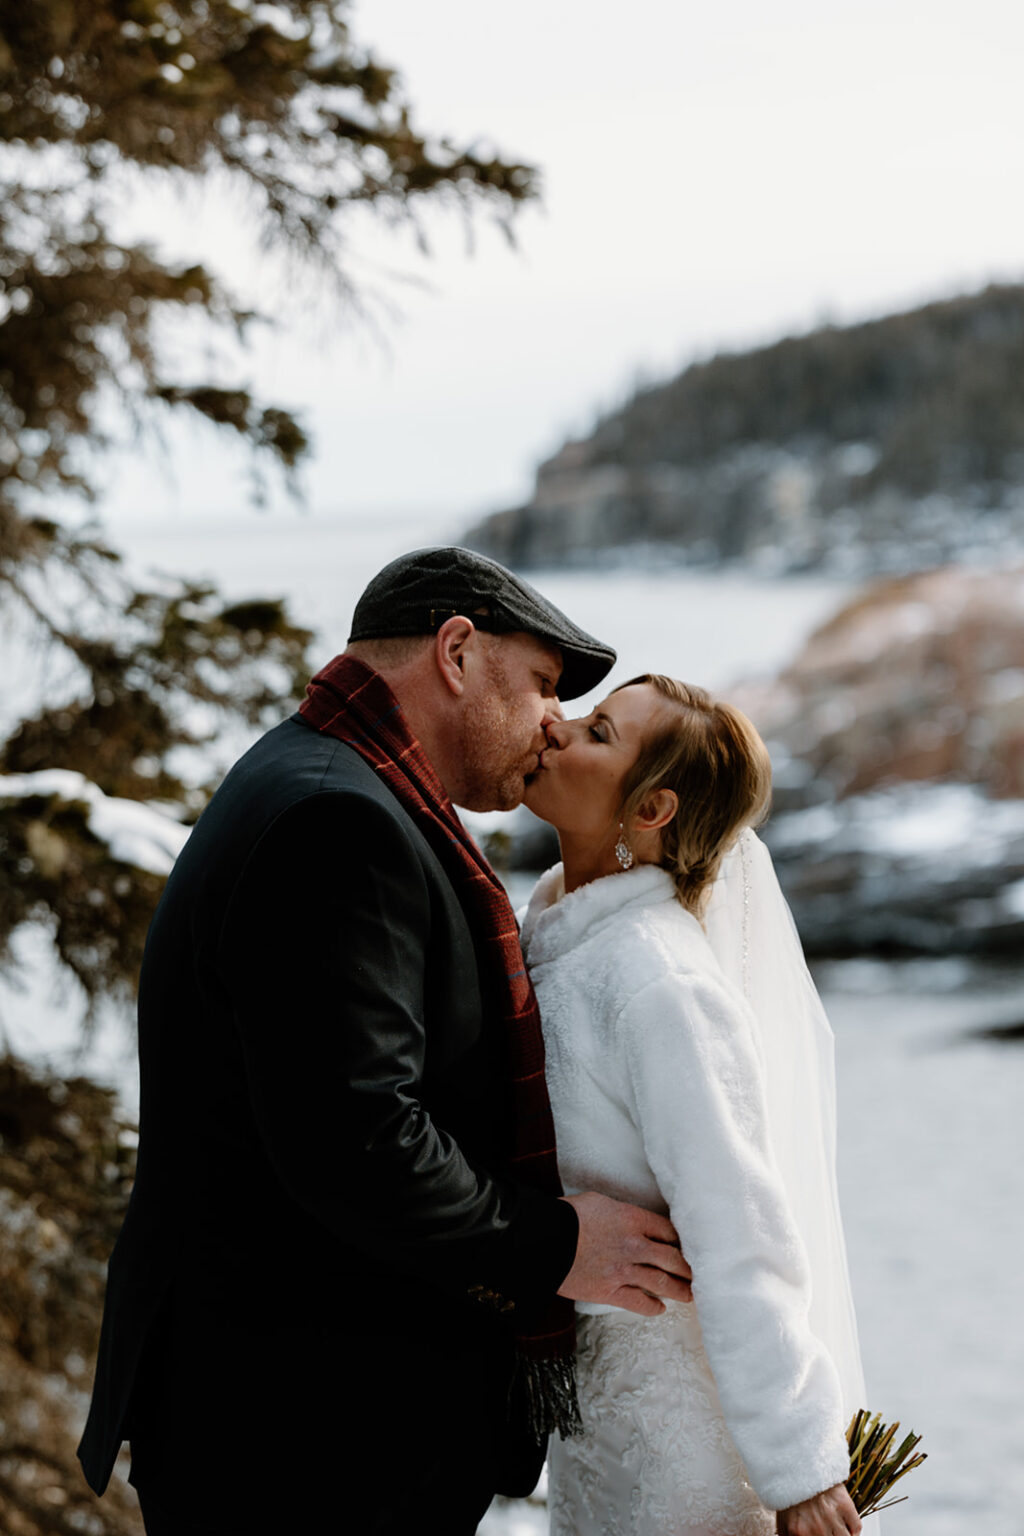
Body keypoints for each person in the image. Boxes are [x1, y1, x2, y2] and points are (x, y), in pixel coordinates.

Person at [76, 551, 693, 1536]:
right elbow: (356, 1139)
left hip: (292, 1417)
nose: (550, 721)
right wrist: (558, 1245)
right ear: (457, 652)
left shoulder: (324, 781)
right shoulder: (337, 822)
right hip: (299, 1440)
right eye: (540, 683)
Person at [520, 674, 868, 1536]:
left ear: (652, 809)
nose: (555, 730)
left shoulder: (660, 983)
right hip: (595, 1415)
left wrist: (799, 1466)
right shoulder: (560, 935)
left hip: (680, 1441)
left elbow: (742, 1229)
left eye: (598, 733)